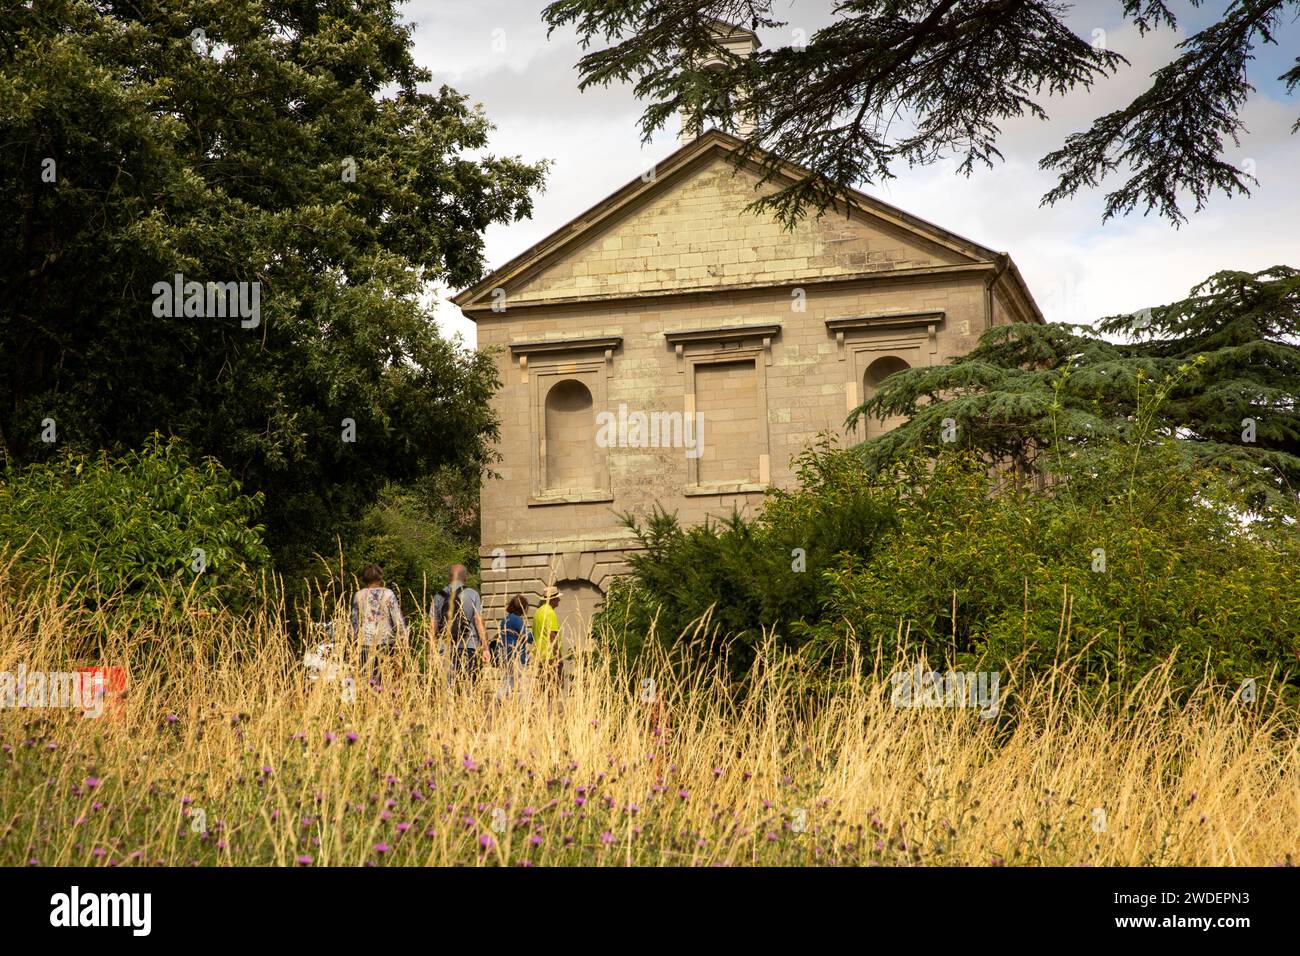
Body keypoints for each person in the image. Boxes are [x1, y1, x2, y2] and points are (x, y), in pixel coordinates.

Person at [432, 564, 490, 683]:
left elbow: (432, 626)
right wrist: (485, 648)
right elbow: (479, 622)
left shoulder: (438, 596)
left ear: (449, 577)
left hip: (445, 648)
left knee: (447, 688)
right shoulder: (473, 594)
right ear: (465, 577)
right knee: (469, 687)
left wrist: (431, 651)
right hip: (469, 646)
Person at [349, 564, 407, 679]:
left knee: (368, 677)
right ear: (380, 577)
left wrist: (353, 642)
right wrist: (403, 637)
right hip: (386, 641)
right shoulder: (388, 594)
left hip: (365, 641)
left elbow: (354, 622)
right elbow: (397, 618)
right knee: (386, 676)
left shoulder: (359, 595)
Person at [496, 594, 531, 700]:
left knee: (508, 681)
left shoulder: (504, 620)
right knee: (523, 683)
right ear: (522, 608)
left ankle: (499, 698)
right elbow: (527, 637)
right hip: (517, 656)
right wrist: (538, 632)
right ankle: (524, 707)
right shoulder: (517, 620)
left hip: (506, 655)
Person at [531, 586, 563, 691]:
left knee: (544, 686)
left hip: (539, 655)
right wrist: (559, 657)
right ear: (552, 600)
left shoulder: (538, 612)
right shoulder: (550, 613)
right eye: (557, 598)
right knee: (553, 687)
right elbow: (552, 637)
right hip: (550, 656)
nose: (559, 600)